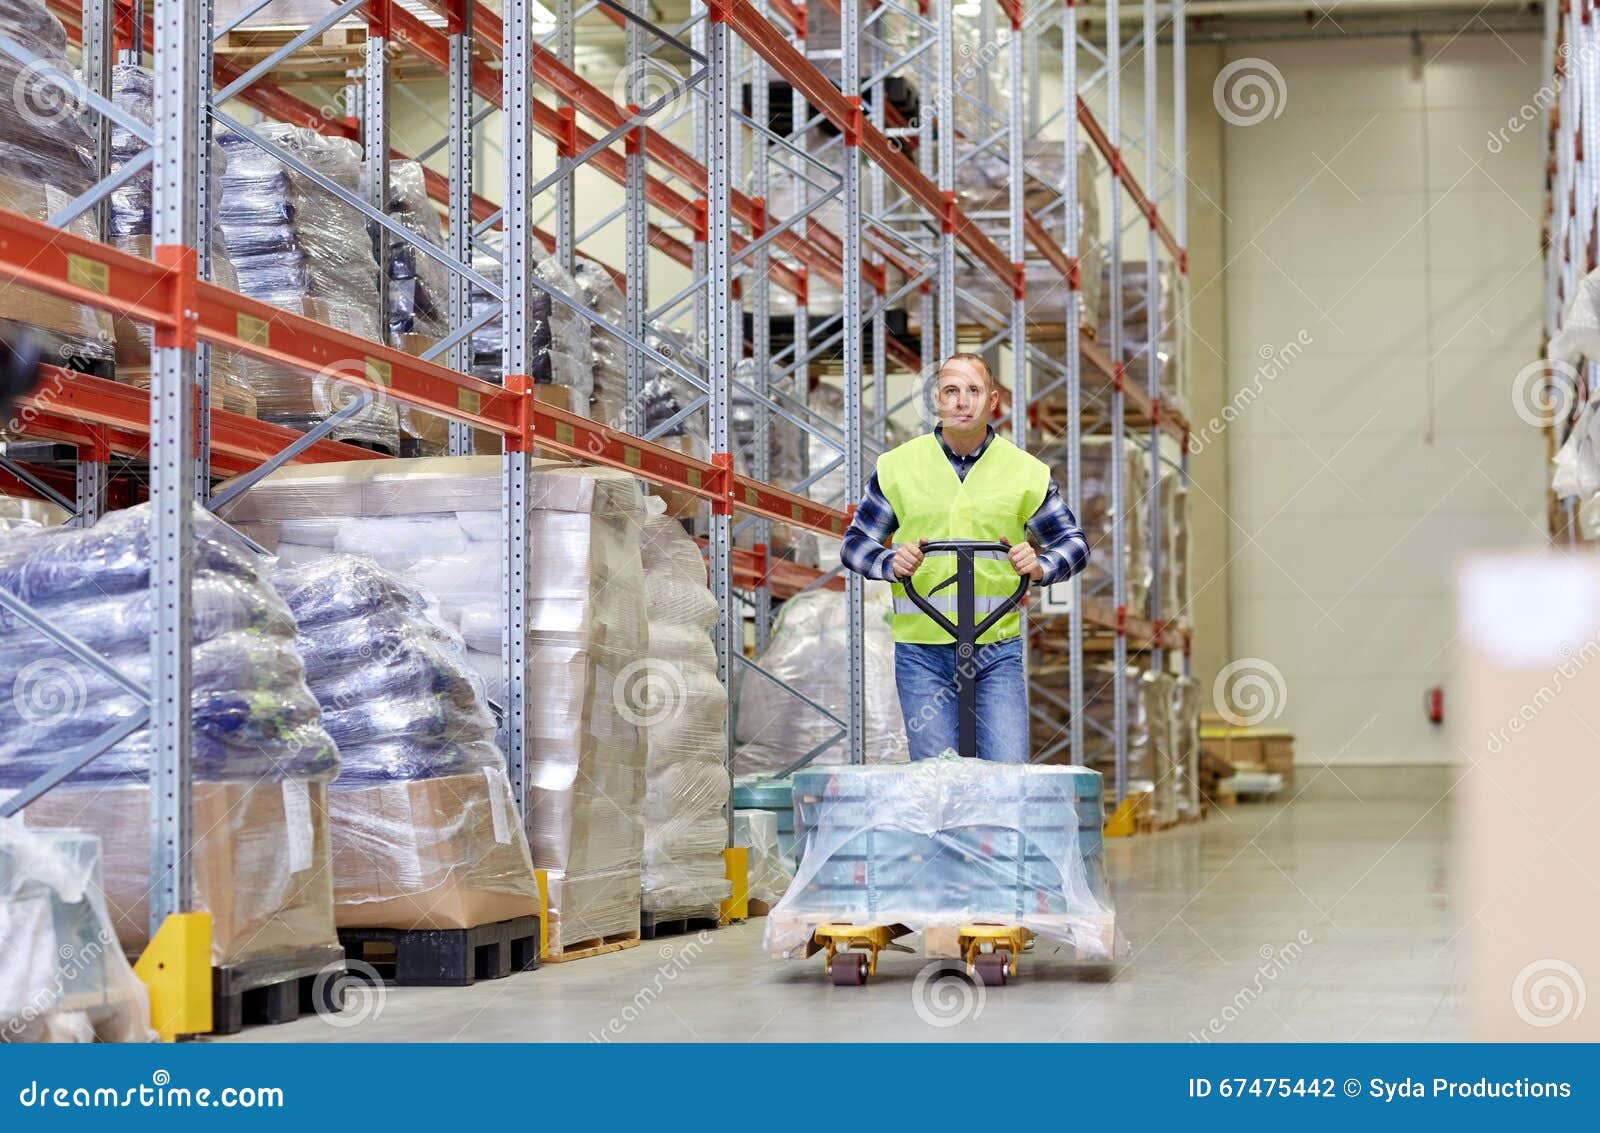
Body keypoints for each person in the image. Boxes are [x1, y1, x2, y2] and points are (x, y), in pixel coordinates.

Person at [840, 353, 1089, 763]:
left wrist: (1041, 565)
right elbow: (855, 544)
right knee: (938, 777)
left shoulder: (1026, 471)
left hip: (996, 650)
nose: (962, 401)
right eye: (951, 391)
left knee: (1007, 773)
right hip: (921, 651)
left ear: (993, 400)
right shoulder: (897, 467)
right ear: (937, 399)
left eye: (973, 390)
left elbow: (1074, 544)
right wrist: (888, 562)